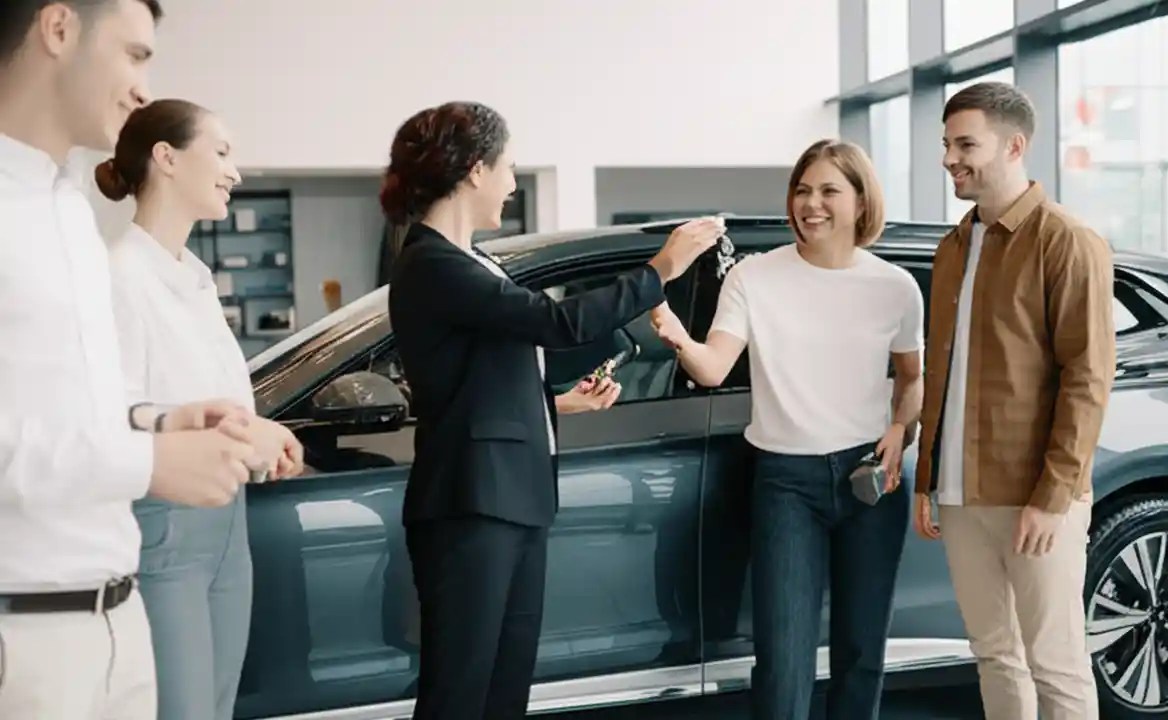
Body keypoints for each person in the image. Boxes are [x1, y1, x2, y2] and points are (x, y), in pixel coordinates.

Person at [383, 100, 723, 719]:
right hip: (469, 503)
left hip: (511, 498)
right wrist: (661, 269)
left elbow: (481, 373)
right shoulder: (431, 263)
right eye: (509, 167)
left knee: (504, 687)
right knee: (460, 691)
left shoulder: (471, 261)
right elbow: (555, 322)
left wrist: (552, 403)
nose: (514, 184)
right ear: (474, 169)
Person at [0, 1, 271, 718]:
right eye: (135, 55)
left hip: (111, 613)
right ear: (59, 30)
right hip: (26, 630)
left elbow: (75, 403)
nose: (143, 89)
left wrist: (165, 416)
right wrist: (148, 462)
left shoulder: (65, 214)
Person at [650, 138, 924, 720]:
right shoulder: (755, 276)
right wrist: (674, 332)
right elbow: (714, 366)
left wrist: (902, 426)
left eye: (828, 190)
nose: (811, 203)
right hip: (784, 481)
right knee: (782, 658)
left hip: (870, 480)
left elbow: (913, 377)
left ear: (859, 201)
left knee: (861, 652)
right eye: (802, 190)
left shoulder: (896, 286)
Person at [96, 98, 306, 720]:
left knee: (215, 707)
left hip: (227, 522)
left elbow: (215, 396)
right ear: (166, 158)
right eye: (220, 152)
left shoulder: (192, 275)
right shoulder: (118, 274)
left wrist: (261, 431)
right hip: (165, 521)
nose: (234, 172)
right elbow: (117, 410)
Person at [913, 81, 1114, 720]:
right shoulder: (951, 248)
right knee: (993, 652)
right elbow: (941, 372)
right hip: (959, 492)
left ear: (1014, 145)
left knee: (1055, 664)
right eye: (947, 144)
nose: (950, 158)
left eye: (965, 144)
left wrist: (1052, 499)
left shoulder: (1067, 240)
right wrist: (927, 478)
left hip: (1035, 496)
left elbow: (1087, 378)